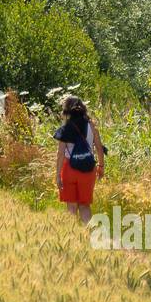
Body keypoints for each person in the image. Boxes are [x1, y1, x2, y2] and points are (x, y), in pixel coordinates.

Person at [53, 94, 105, 224]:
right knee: (84, 205)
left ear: (66, 110)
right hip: (88, 169)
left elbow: (60, 154)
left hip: (69, 169)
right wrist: (101, 166)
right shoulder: (91, 125)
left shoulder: (65, 129)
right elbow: (99, 147)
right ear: (83, 108)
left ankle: (71, 237)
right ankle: (91, 237)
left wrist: (58, 175)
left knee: (71, 206)